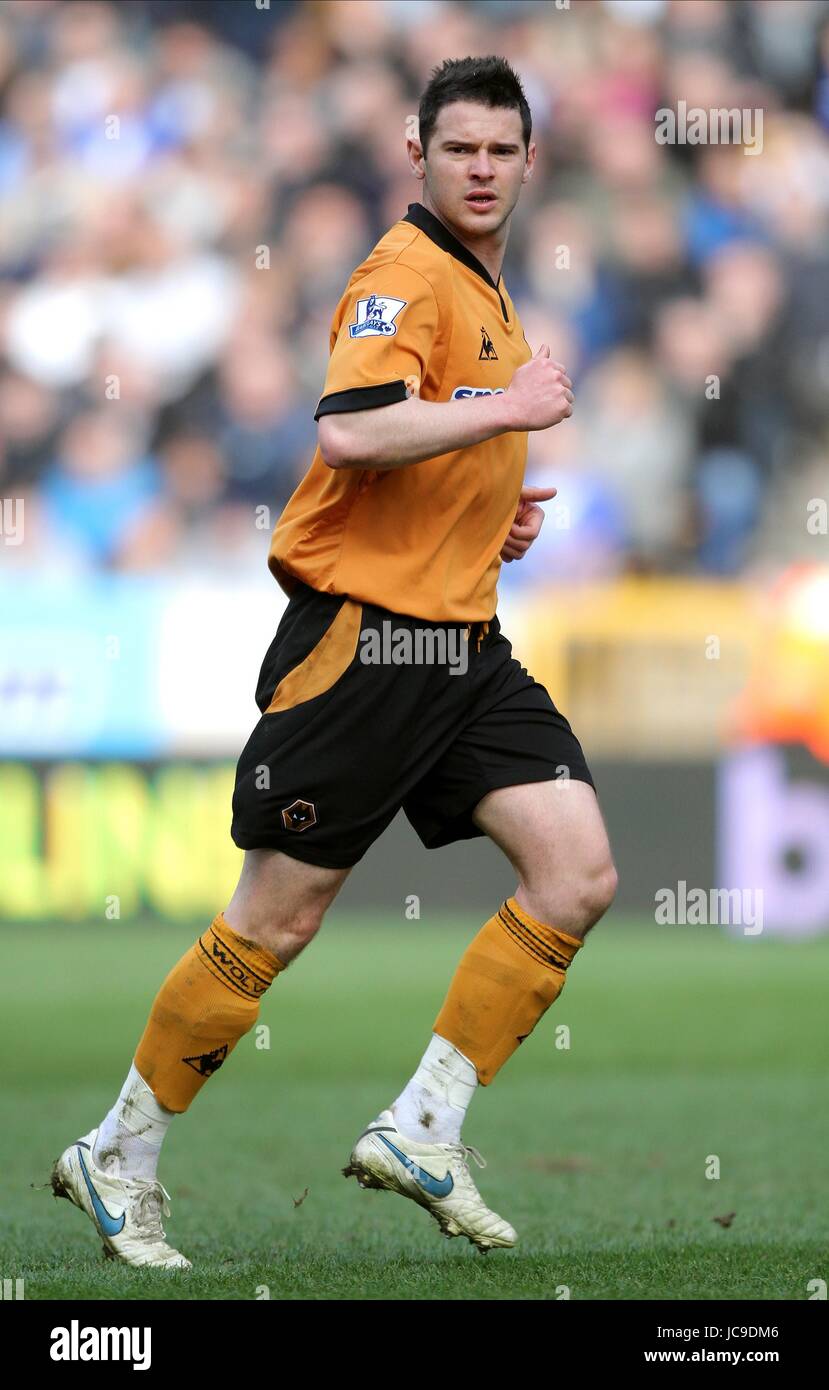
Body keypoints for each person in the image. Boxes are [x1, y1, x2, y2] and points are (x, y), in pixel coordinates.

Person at [51, 55, 617, 1267]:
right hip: (364, 645)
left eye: (499, 150)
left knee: (575, 872)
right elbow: (352, 426)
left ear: (527, 162)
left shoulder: (486, 289)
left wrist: (490, 509)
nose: (479, 168)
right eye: (456, 147)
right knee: (277, 920)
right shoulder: (401, 272)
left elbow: (424, 441)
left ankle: (425, 1124)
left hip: (462, 645)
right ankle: (118, 1149)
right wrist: (506, 416)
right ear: (416, 155)